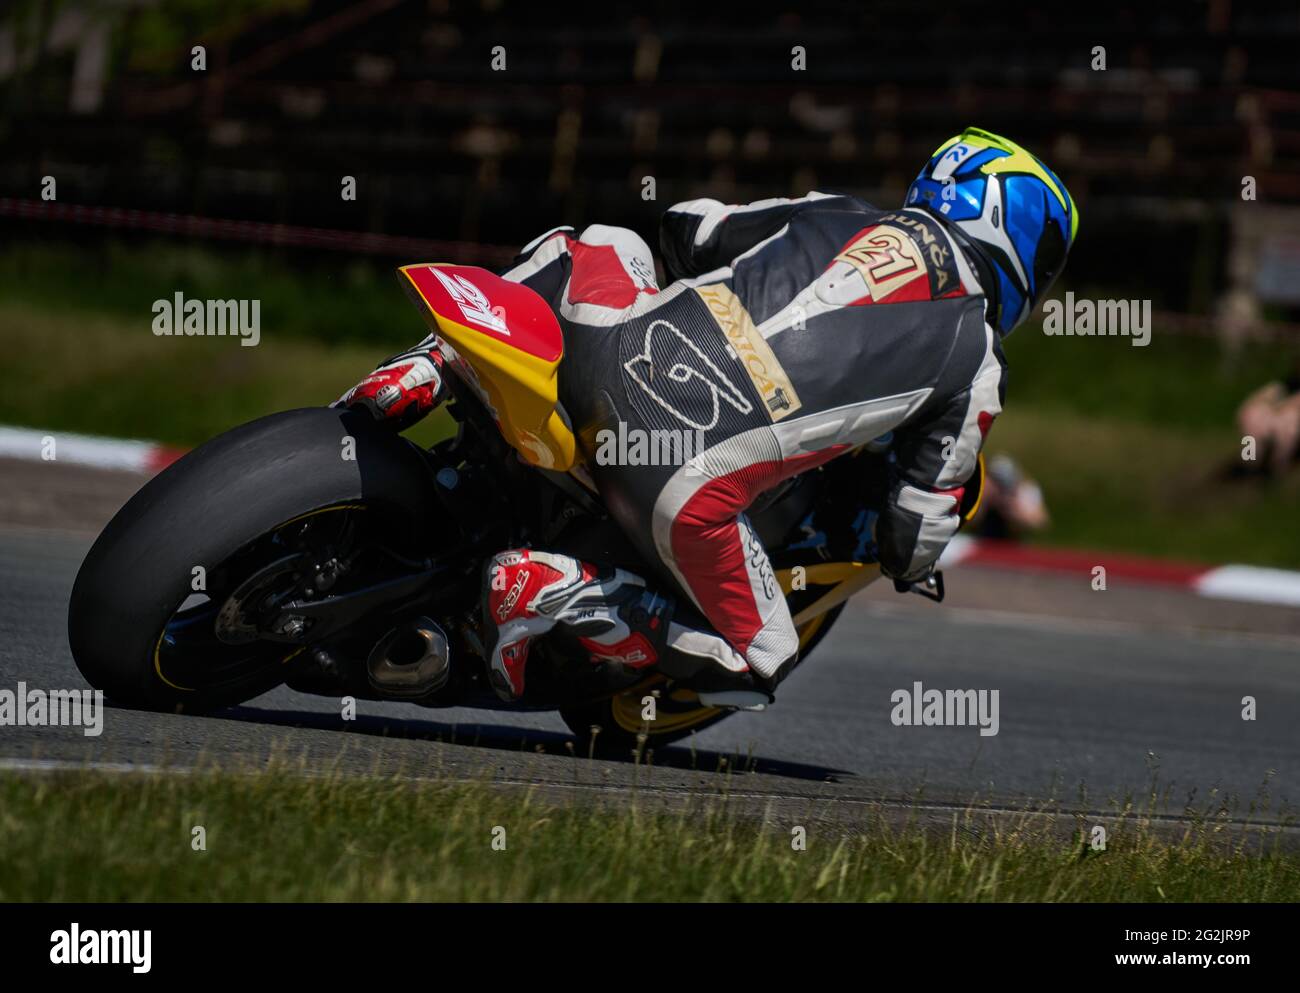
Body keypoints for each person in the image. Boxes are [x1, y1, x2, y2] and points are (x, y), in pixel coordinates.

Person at [337, 127, 1078, 706]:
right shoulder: (977, 358)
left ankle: (435, 362)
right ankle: (555, 589)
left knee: (599, 243)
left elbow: (688, 227)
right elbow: (915, 528)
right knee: (762, 660)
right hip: (683, 483)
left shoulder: (839, 210)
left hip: (605, 352)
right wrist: (908, 567)